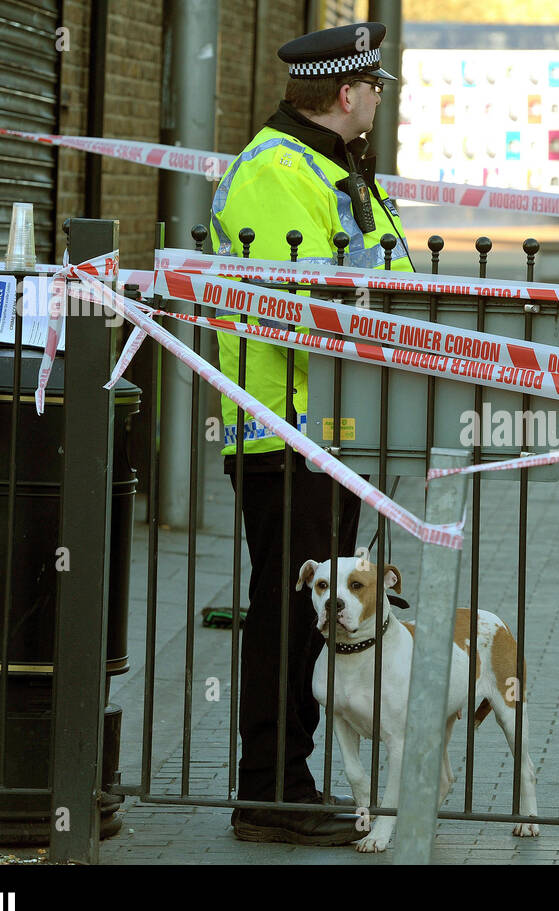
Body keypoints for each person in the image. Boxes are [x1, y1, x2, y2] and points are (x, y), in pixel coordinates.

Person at [210, 21, 414, 845]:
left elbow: (377, 282)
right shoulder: (276, 171)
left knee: (315, 617)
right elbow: (302, 309)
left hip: (336, 430)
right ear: (345, 94)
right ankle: (269, 788)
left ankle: (292, 782)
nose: (375, 100)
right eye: (371, 88)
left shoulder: (332, 167)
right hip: (286, 433)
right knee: (290, 614)